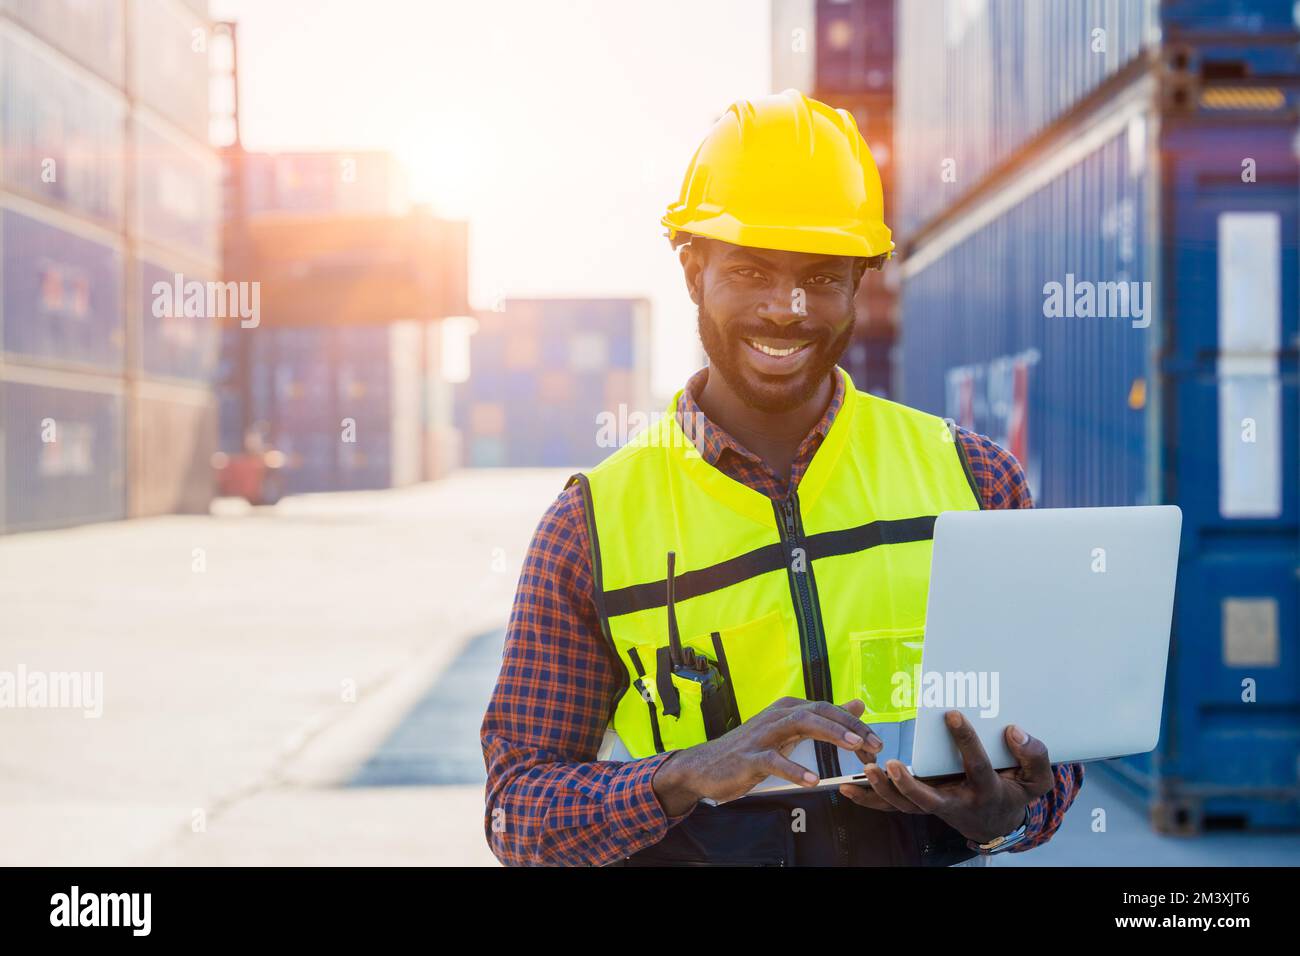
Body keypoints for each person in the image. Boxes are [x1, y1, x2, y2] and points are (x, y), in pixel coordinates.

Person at [481, 90, 1082, 866]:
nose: (787, 309)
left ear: (861, 283)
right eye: (752, 270)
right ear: (693, 271)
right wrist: (681, 777)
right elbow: (516, 814)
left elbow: (1055, 756)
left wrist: (1008, 819)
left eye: (821, 277)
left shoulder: (975, 482)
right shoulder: (591, 526)